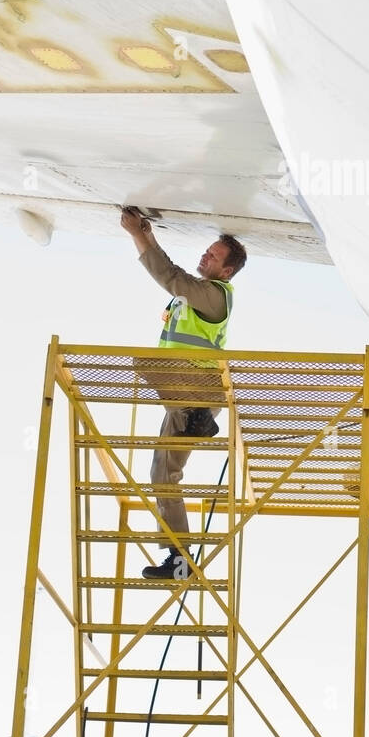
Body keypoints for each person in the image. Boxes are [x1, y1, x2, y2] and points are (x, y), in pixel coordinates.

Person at [120, 207, 247, 579]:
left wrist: (139, 236)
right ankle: (179, 557)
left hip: (197, 388)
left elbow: (171, 276)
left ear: (226, 271)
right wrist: (145, 235)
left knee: (145, 363)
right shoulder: (195, 296)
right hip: (182, 392)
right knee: (162, 475)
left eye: (213, 256)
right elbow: (175, 279)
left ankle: (198, 416)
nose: (205, 257)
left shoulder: (215, 296)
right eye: (207, 251)